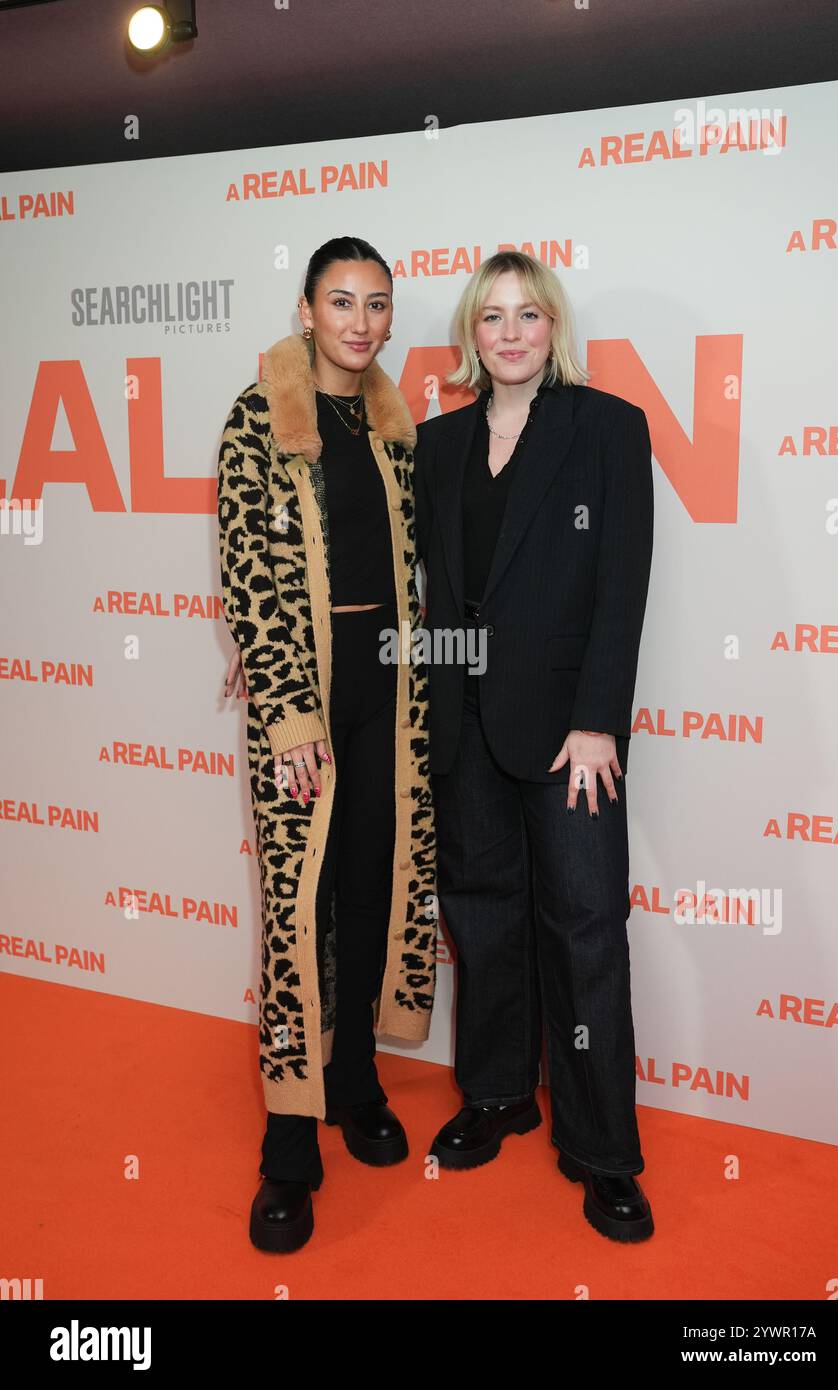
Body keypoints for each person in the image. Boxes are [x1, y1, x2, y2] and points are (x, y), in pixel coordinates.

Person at [413, 250, 655, 1242]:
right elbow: (426, 590)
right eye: (491, 317)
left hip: (568, 733)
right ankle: (499, 1092)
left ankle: (602, 1150)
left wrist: (598, 720)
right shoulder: (438, 442)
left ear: (553, 327)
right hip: (462, 721)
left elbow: (622, 584)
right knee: (482, 916)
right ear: (470, 333)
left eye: (528, 315)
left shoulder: (605, 427)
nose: (509, 334)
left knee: (585, 929)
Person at [218, 236, 437, 1253]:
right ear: (305, 311)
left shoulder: (394, 428)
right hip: (305, 699)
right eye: (341, 301)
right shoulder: (259, 415)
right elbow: (249, 575)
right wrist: (286, 711)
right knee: (296, 909)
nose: (360, 320)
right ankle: (288, 1140)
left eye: (376, 303)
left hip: (388, 694)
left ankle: (353, 1078)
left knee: (368, 885)